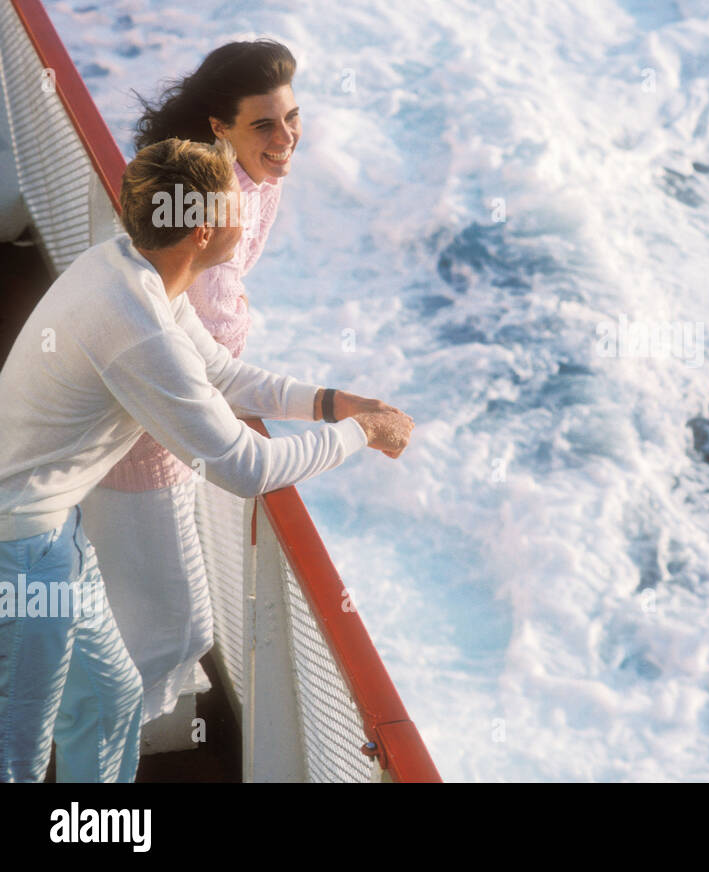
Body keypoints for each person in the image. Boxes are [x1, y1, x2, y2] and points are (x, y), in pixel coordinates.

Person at [0, 137, 413, 782]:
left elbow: (221, 373)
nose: (244, 217)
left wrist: (334, 404)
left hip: (54, 534)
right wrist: (363, 434)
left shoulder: (132, 268)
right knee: (15, 744)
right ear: (201, 231)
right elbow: (244, 466)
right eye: (232, 208)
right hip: (19, 546)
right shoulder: (139, 324)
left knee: (111, 696)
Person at [81, 40, 301, 724]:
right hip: (142, 431)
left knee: (143, 619)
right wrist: (347, 424)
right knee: (175, 633)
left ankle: (102, 744)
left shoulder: (252, 176)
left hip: (162, 411)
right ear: (218, 129)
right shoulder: (209, 205)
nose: (286, 138)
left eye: (292, 118)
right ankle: (97, 771)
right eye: (264, 124)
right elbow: (214, 349)